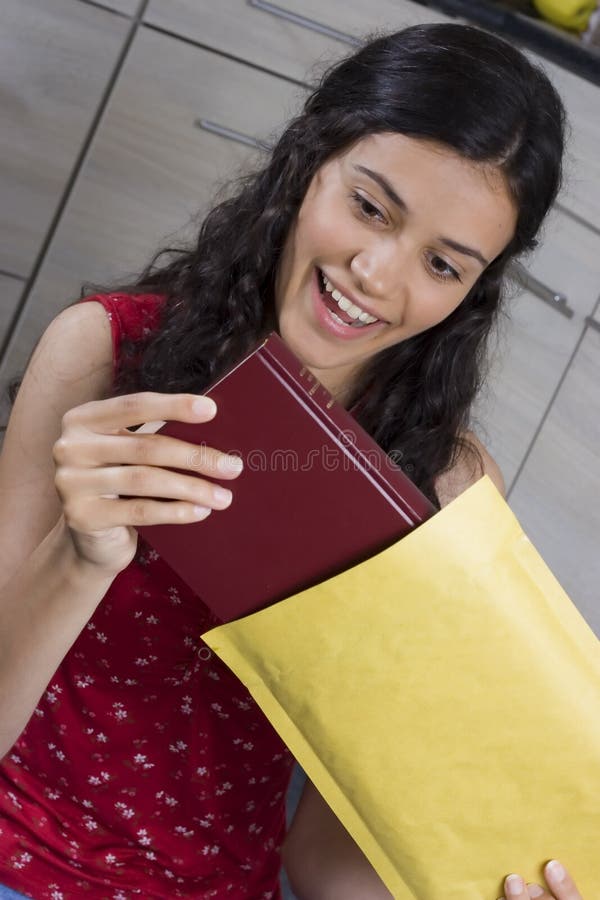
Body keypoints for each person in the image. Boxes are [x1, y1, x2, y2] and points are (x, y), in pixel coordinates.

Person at [0, 19, 585, 900]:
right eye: (369, 206)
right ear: (307, 163)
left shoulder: (449, 491)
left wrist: (482, 880)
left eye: (442, 263)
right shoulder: (102, 354)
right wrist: (78, 558)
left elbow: (320, 861)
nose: (377, 274)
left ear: (474, 291)